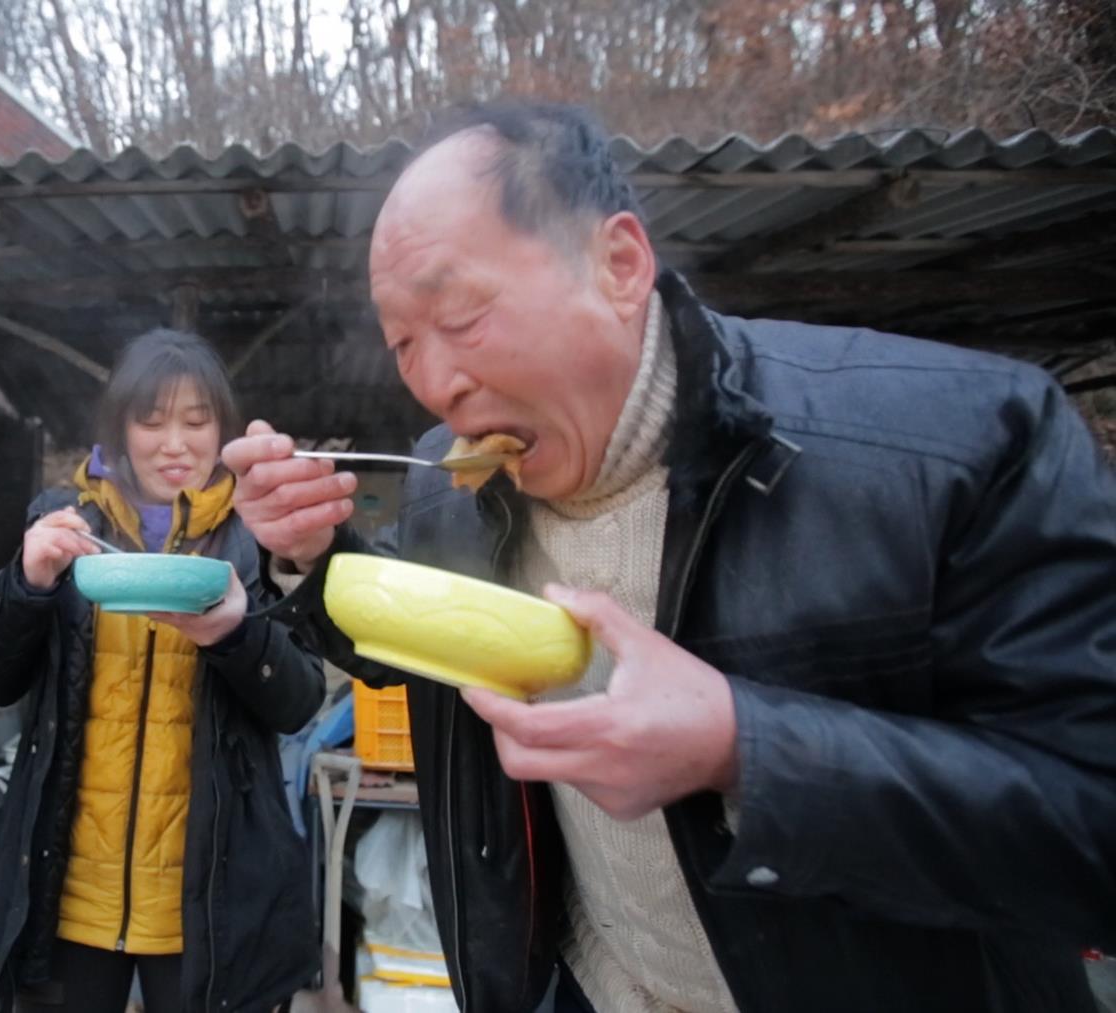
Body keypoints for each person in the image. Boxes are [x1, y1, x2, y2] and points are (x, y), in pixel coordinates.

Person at [222, 101, 1116, 1012]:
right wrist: (310, 552)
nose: (438, 380)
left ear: (619, 265)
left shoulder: (959, 447)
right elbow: (413, 648)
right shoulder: (447, 487)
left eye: (462, 312)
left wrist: (743, 747)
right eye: (402, 340)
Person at [0, 328, 324, 1013]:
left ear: (223, 429)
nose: (174, 444)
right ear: (120, 426)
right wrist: (28, 582)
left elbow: (298, 700)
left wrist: (237, 633)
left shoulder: (256, 537)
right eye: (150, 421)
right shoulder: (63, 524)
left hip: (208, 892)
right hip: (69, 890)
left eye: (195, 420)